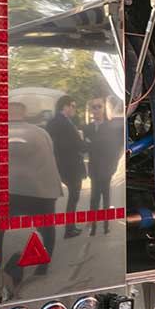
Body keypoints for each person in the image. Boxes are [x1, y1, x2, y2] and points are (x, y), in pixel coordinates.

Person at [6, 101, 62, 287]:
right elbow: (52, 154)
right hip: (42, 189)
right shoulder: (40, 132)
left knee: (0, 227)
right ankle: (43, 266)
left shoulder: (0, 132)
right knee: (47, 227)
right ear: (24, 113)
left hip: (11, 191)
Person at [46, 95, 86, 238]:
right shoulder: (66, 123)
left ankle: (48, 229)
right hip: (71, 166)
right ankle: (69, 229)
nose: (74, 110)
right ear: (66, 106)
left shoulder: (52, 122)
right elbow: (77, 145)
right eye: (73, 106)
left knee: (52, 200)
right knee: (74, 197)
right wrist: (83, 140)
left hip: (58, 165)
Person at [83, 97, 123, 235]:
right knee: (94, 198)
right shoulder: (87, 128)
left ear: (104, 109)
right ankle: (93, 227)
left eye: (99, 106)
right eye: (94, 107)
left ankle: (106, 226)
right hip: (94, 169)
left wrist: (112, 168)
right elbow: (84, 147)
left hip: (106, 169)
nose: (96, 110)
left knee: (106, 198)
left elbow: (116, 149)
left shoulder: (110, 126)